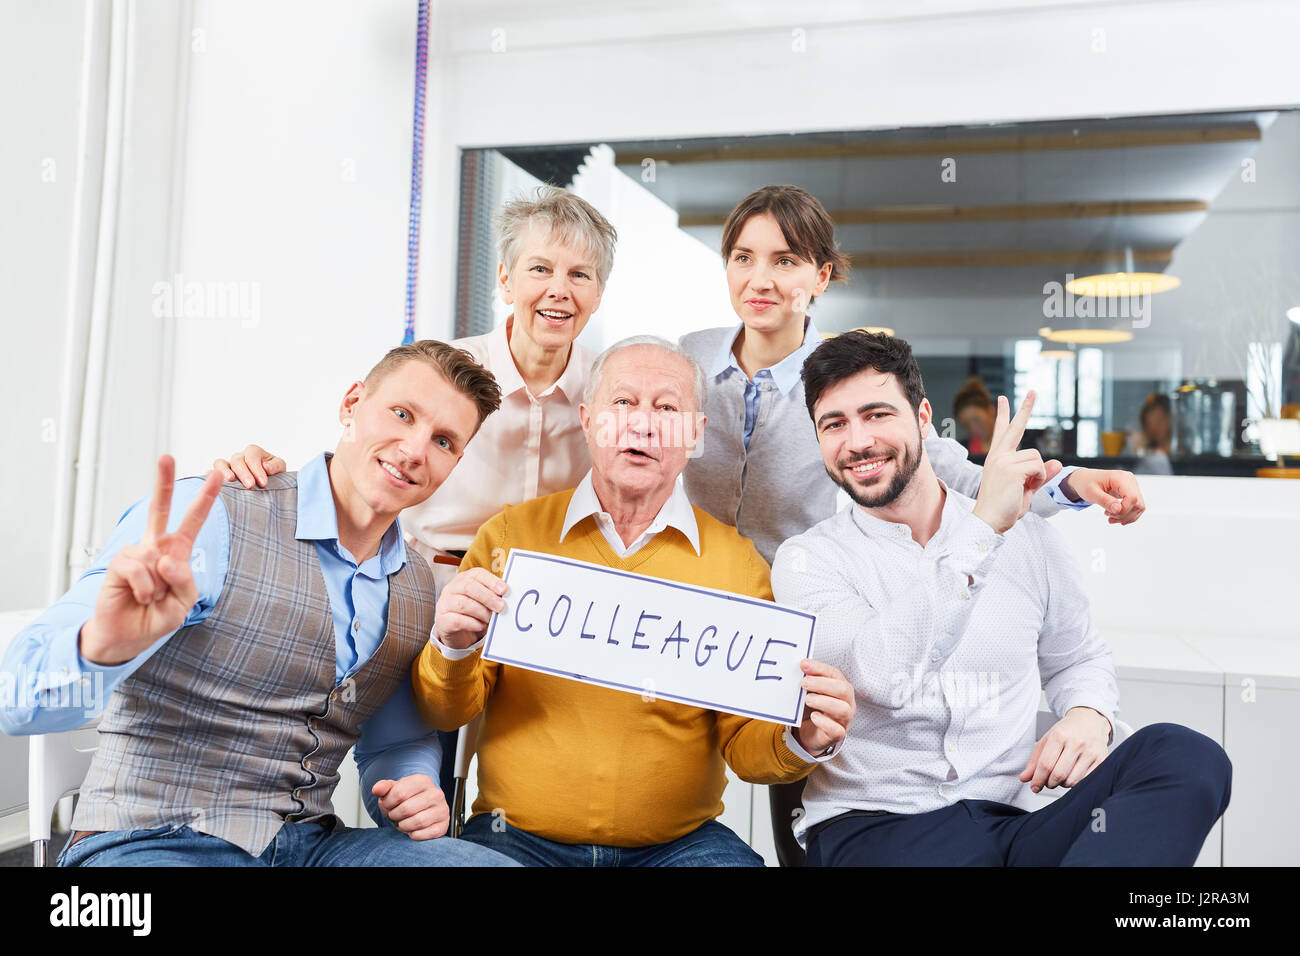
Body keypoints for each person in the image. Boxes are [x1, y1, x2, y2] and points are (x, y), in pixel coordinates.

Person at [0, 341, 516, 867]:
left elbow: (394, 742)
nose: (413, 450)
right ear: (351, 404)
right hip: (151, 839)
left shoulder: (417, 587)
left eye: (444, 442)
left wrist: (415, 788)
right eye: (402, 414)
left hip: (313, 848)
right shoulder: (209, 518)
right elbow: (16, 701)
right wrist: (101, 647)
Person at [772, 331, 1231, 866]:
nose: (857, 441)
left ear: (923, 418)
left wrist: (1089, 714)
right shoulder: (807, 560)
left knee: (1185, 755)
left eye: (877, 414)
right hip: (878, 831)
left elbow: (1078, 657)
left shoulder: (1030, 537)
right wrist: (983, 527)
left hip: (1013, 825)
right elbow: (883, 671)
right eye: (834, 424)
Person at [414, 336, 857, 867]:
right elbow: (447, 710)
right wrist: (454, 646)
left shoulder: (737, 566)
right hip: (516, 839)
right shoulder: (512, 537)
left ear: (694, 433)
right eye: (622, 403)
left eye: (667, 409)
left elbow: (748, 750)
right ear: (586, 419)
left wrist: (801, 737)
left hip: (680, 847)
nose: (643, 425)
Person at [679, 184, 1148, 565]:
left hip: (795, 597)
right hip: (687, 587)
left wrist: (1072, 484)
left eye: (784, 261)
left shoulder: (841, 379)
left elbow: (960, 477)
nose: (759, 280)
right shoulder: (689, 356)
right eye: (743, 257)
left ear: (821, 277)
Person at [215, 185, 617, 591]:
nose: (559, 290)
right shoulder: (442, 374)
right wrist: (266, 480)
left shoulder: (611, 393)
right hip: (426, 588)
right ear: (505, 280)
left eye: (579, 275)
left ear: (598, 294)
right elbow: (367, 457)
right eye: (540, 269)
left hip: (553, 601)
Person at [953, 377, 997, 455]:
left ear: (991, 410)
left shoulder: (1022, 440)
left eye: (976, 419)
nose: (973, 429)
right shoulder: (961, 452)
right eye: (966, 425)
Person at [1134, 392, 1174, 475]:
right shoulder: (1148, 456)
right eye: (1149, 423)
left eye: (1159, 420)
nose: (1154, 428)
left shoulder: (1161, 458)